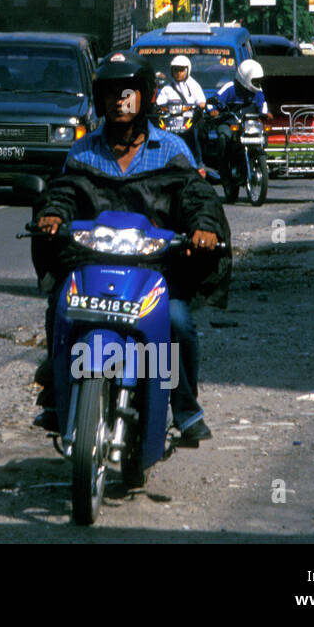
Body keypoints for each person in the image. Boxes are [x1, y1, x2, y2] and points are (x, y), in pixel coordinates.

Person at [29, 57, 230, 447]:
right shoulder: (82, 152)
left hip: (155, 271)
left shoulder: (172, 150)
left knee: (178, 321)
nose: (119, 102)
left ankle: (185, 409)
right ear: (98, 99)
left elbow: (196, 196)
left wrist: (203, 227)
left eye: (128, 94)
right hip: (92, 266)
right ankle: (58, 394)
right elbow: (63, 193)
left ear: (146, 98)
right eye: (110, 94)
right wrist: (52, 214)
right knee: (59, 306)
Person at [156, 55, 207, 164]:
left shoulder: (194, 85)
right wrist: (163, 109)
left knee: (196, 134)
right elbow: (159, 105)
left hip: (189, 122)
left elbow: (202, 103)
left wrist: (193, 108)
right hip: (169, 122)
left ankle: (198, 162)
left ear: (187, 70)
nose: (178, 73)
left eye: (181, 70)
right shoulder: (167, 88)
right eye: (176, 70)